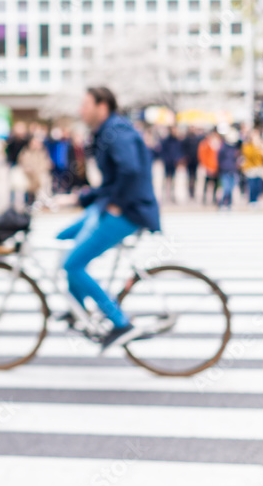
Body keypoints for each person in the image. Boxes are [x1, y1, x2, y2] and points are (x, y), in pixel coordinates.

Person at [56, 87, 161, 351]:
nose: (81, 110)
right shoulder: (109, 130)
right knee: (64, 237)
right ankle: (77, 307)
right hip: (115, 206)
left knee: (72, 265)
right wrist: (82, 199)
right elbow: (114, 179)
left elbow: (130, 170)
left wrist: (115, 203)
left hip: (128, 211)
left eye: (85, 105)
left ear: (102, 106)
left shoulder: (116, 132)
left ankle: (120, 321)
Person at [17, 135, 52, 208]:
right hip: (30, 176)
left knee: (44, 179)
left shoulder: (42, 153)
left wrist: (41, 170)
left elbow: (46, 163)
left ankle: (43, 200)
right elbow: (23, 163)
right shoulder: (26, 152)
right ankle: (32, 202)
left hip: (40, 175)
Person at [240, 130, 263, 207]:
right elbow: (249, 156)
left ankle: (256, 199)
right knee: (252, 185)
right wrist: (256, 148)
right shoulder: (247, 146)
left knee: (258, 185)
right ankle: (252, 200)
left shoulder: (260, 146)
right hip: (250, 168)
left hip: (259, 168)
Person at [159, 128, 184, 204]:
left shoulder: (177, 141)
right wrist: (166, 159)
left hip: (174, 163)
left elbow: (179, 151)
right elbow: (163, 151)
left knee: (173, 179)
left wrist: (178, 159)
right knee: (166, 179)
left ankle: (172, 195)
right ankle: (165, 194)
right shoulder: (166, 141)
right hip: (168, 162)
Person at [197, 129, 221, 206]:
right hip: (208, 167)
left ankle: (214, 199)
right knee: (207, 184)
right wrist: (206, 166)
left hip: (216, 167)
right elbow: (202, 156)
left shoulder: (218, 144)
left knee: (215, 185)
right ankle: (205, 199)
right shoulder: (205, 144)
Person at [217, 130, 240, 209]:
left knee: (231, 188)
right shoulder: (223, 147)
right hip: (225, 170)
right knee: (226, 188)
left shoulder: (235, 148)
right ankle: (223, 203)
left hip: (232, 170)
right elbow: (219, 158)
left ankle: (228, 203)